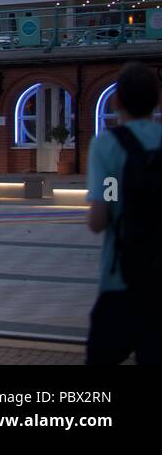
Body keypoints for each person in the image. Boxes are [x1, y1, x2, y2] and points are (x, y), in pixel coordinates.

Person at [86, 62, 162, 365]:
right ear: (157, 100)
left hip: (120, 279)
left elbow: (99, 219)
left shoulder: (107, 144)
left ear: (116, 101)